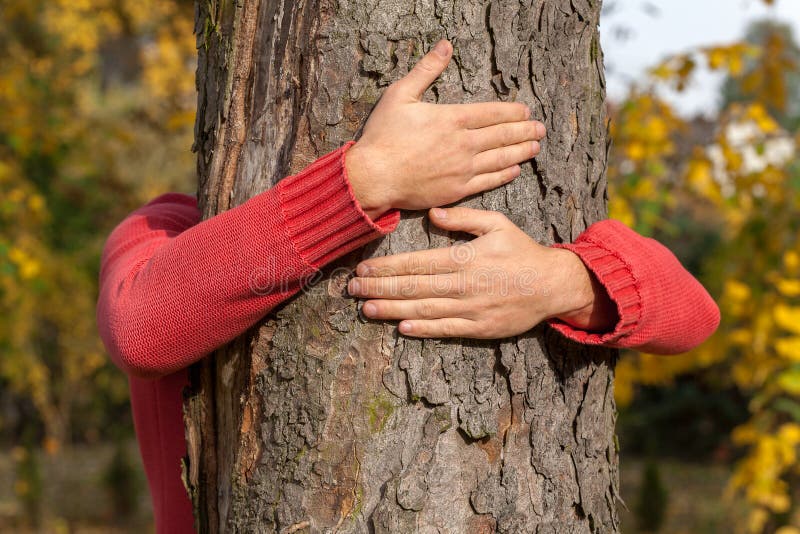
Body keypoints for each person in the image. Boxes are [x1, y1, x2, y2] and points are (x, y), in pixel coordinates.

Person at [96, 40, 718, 533]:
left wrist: (560, 281)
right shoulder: (163, 228)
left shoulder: (551, 217)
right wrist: (367, 179)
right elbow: (143, 328)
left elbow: (696, 314)